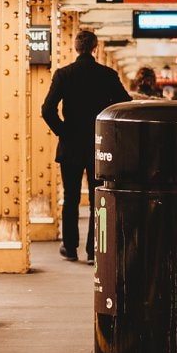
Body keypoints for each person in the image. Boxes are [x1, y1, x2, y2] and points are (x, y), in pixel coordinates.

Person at [40, 29, 130, 261]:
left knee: (70, 197)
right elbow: (125, 106)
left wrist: (63, 131)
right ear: (95, 47)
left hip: (70, 145)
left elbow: (47, 109)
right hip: (99, 146)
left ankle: (70, 248)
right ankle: (94, 250)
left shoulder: (63, 75)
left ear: (75, 48)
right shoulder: (108, 75)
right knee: (97, 198)